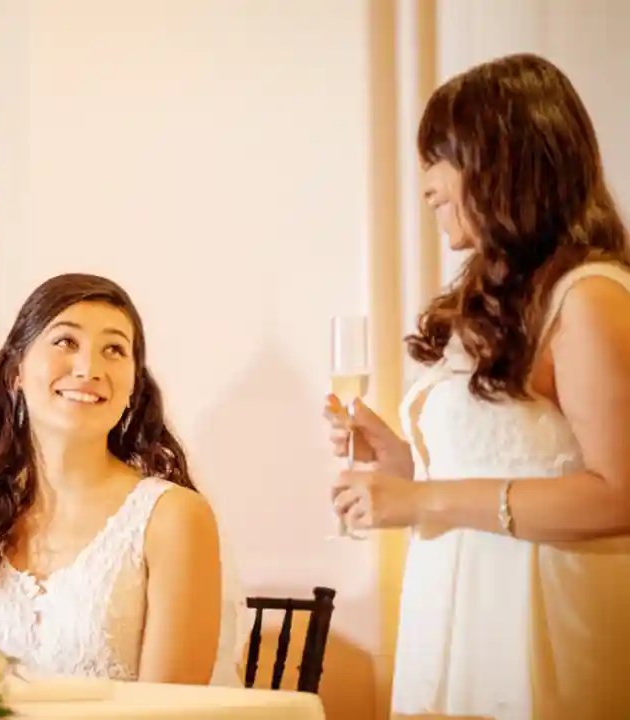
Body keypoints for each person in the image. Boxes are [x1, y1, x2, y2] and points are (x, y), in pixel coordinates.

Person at [325, 54, 630, 719]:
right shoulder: (497, 303)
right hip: (459, 620)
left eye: (441, 158)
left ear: (508, 158)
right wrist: (401, 461)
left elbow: (619, 493)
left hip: (540, 634)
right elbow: (514, 464)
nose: (427, 185)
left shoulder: (591, 298)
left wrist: (421, 498)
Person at [0, 272, 243, 685]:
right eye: (65, 342)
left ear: (133, 387)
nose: (89, 368)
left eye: (114, 349)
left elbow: (172, 710)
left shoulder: (174, 517)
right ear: (15, 372)